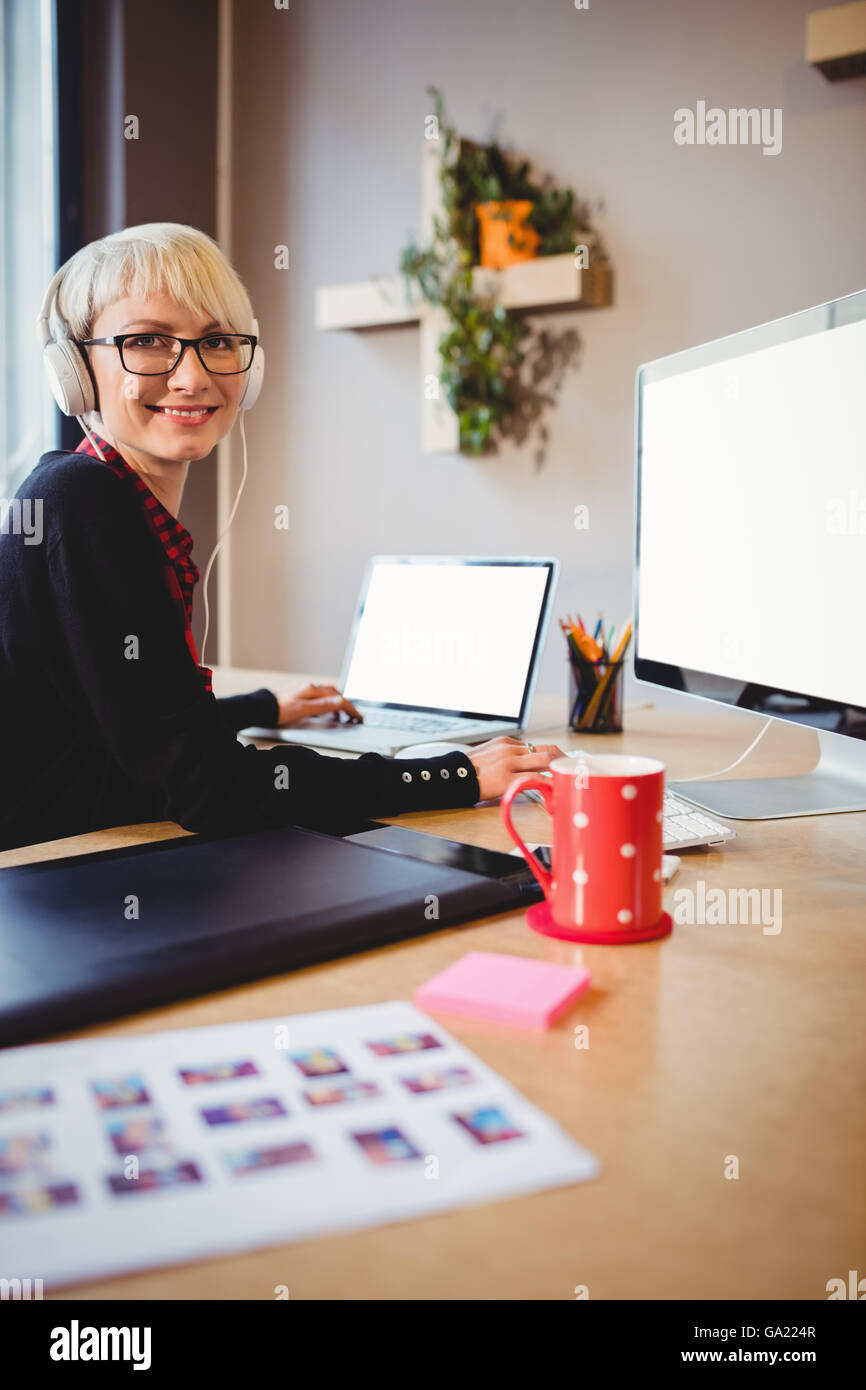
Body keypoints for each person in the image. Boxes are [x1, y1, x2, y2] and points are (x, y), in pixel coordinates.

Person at [0, 224, 562, 851]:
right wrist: (449, 774)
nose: (191, 376)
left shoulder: (87, 494)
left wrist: (261, 707)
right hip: (45, 887)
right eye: (148, 341)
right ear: (75, 370)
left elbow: (142, 722)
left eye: (215, 341)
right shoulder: (84, 502)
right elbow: (209, 788)